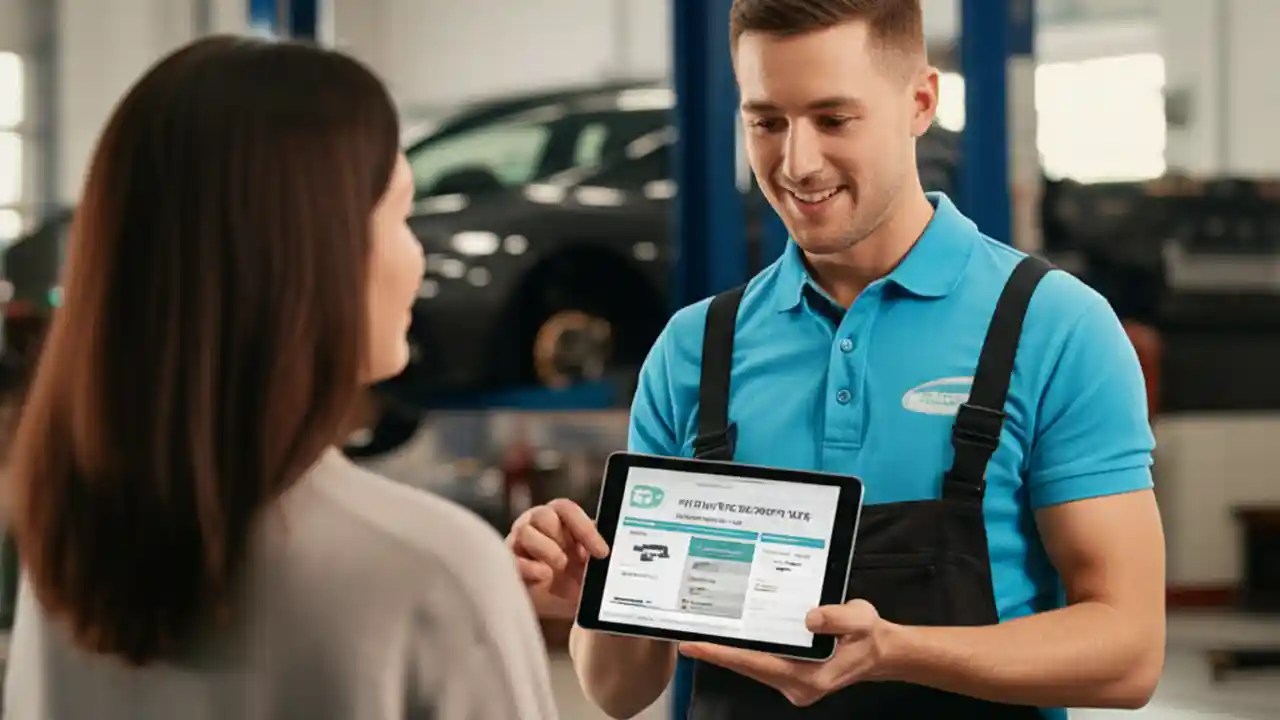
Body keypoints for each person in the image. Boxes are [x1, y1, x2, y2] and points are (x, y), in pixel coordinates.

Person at [507, 1, 1166, 718]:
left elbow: (1127, 652)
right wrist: (599, 597)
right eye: (766, 121)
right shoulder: (697, 350)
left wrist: (899, 651)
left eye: (833, 119)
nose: (797, 162)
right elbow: (616, 691)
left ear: (920, 101)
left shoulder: (1054, 327)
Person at [2, 36, 558, 720]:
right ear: (314, 256)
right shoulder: (433, 570)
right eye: (403, 217)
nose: (418, 258)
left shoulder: (65, 551)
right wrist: (476, 610)